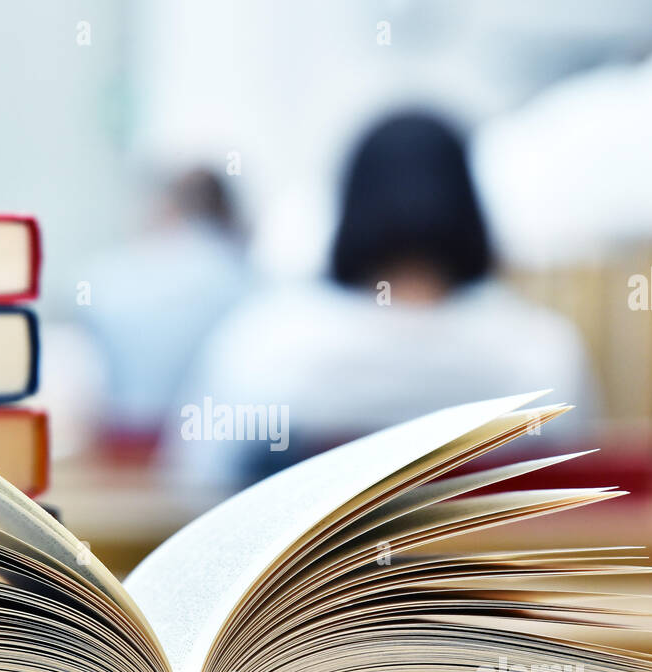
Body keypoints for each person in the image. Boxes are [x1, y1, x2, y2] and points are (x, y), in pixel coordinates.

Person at [165, 111, 600, 487]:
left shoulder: (267, 346)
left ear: (348, 209)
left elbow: (193, 479)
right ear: (472, 210)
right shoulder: (543, 353)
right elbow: (575, 488)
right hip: (495, 582)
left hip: (303, 583)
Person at [81, 167, 248, 454]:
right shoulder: (241, 278)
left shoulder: (105, 275)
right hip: (207, 446)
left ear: (166, 207)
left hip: (122, 444)